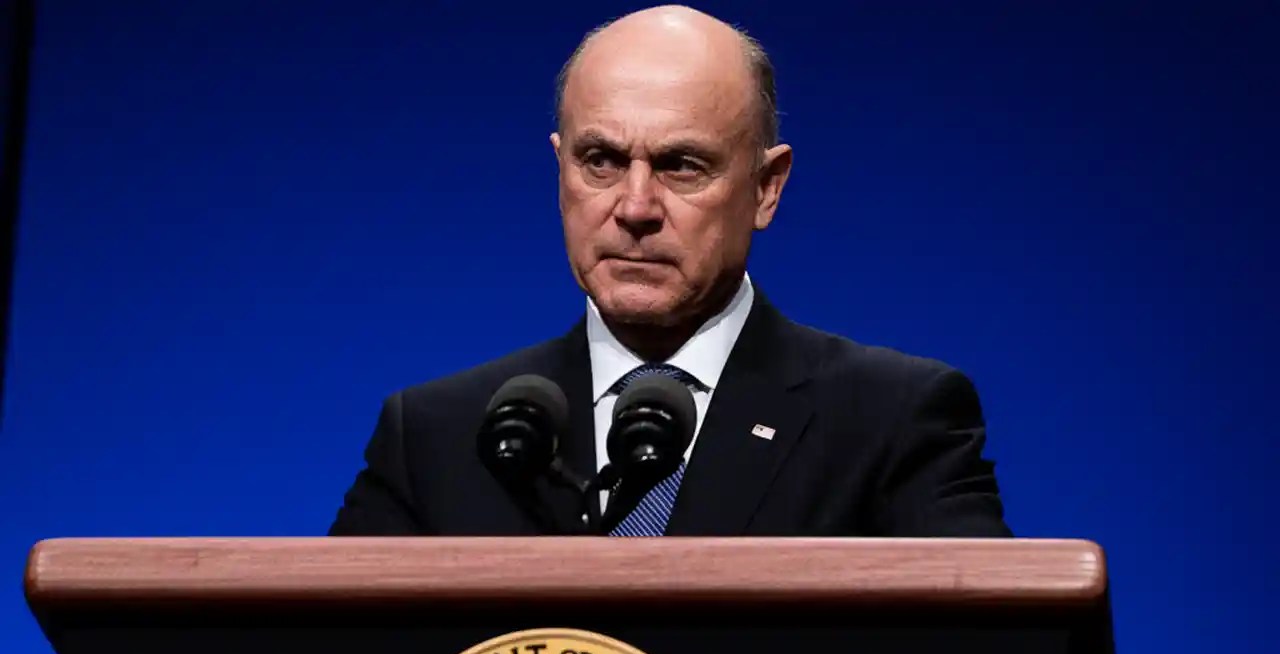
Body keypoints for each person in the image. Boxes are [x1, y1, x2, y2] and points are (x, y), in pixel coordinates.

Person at [328, 5, 1011, 537]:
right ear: (560, 170)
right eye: (600, 161)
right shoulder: (435, 437)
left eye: (682, 166)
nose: (634, 208)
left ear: (766, 188)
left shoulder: (893, 424)